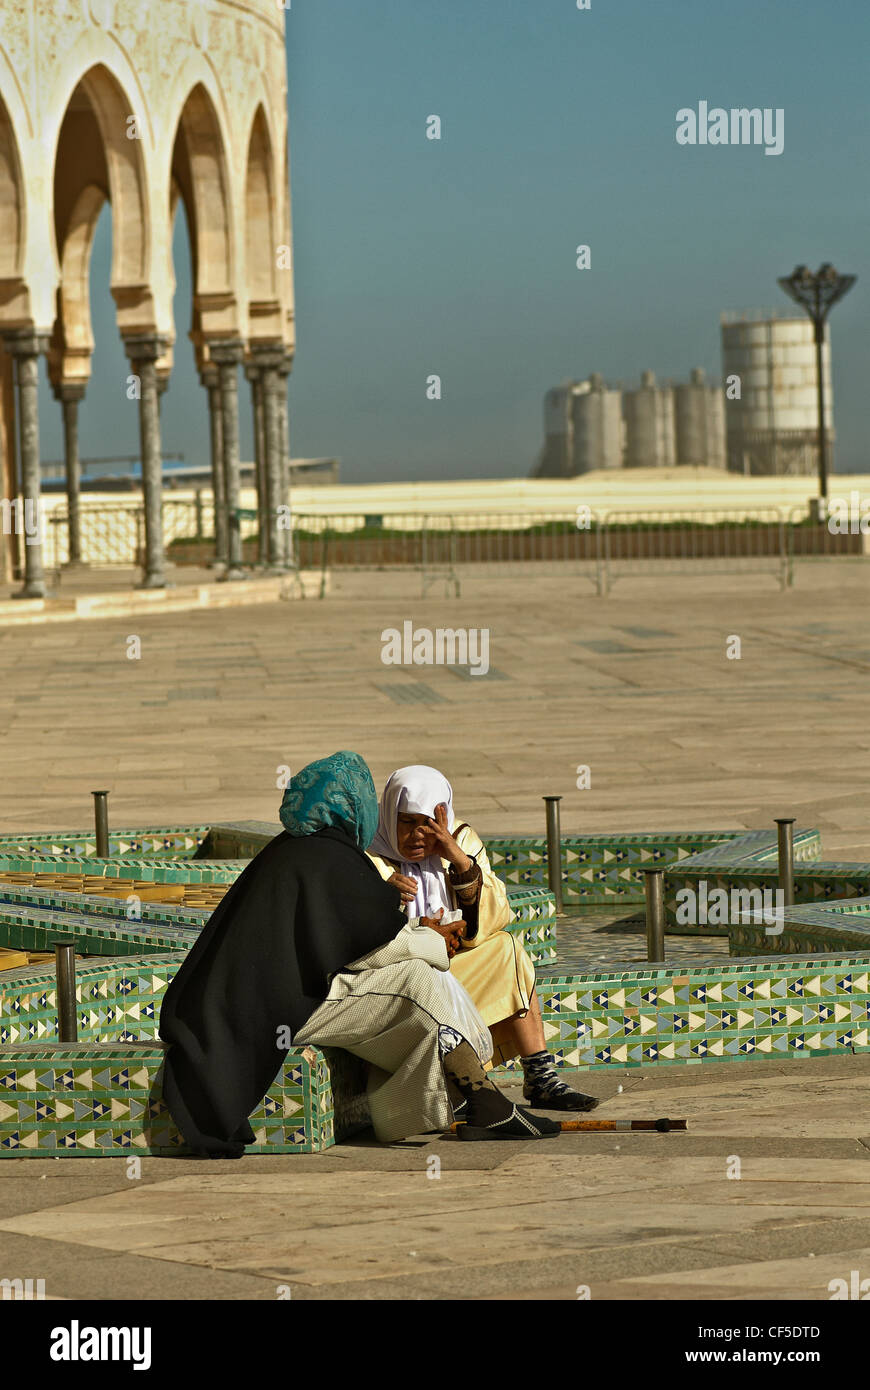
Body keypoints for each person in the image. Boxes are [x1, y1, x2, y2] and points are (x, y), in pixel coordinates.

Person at [159, 751, 560, 1155]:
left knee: (420, 982)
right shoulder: (328, 858)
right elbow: (372, 947)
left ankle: (450, 1104)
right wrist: (432, 941)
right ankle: (484, 1104)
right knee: (417, 981)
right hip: (275, 1011)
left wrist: (423, 933)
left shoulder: (303, 850)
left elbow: (353, 938)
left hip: (268, 1001)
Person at [368, 765, 599, 1112]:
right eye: (407, 823)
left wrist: (459, 861)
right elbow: (361, 937)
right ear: (389, 816)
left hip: (451, 970)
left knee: (507, 948)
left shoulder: (460, 840)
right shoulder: (369, 856)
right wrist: (398, 912)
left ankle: (539, 1076)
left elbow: (495, 917)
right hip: (405, 986)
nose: (419, 834)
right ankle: (468, 1084)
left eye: (429, 824)